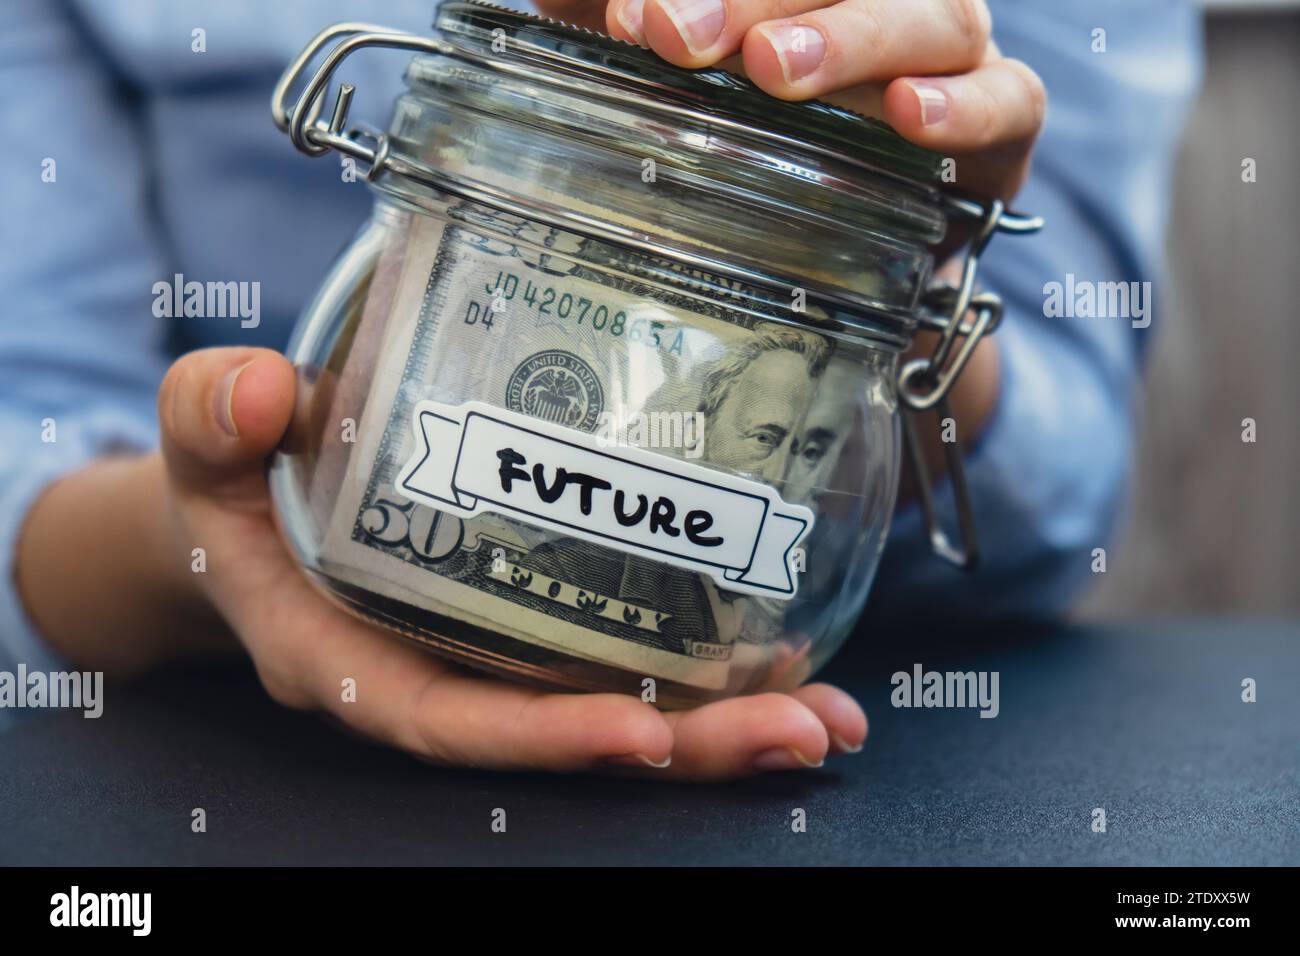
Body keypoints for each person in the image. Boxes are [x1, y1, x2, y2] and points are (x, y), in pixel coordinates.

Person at [0, 0, 1201, 779]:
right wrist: (194, 538)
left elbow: (1066, 498)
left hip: (881, 743)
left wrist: (901, 267)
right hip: (214, 750)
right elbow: (27, 417)